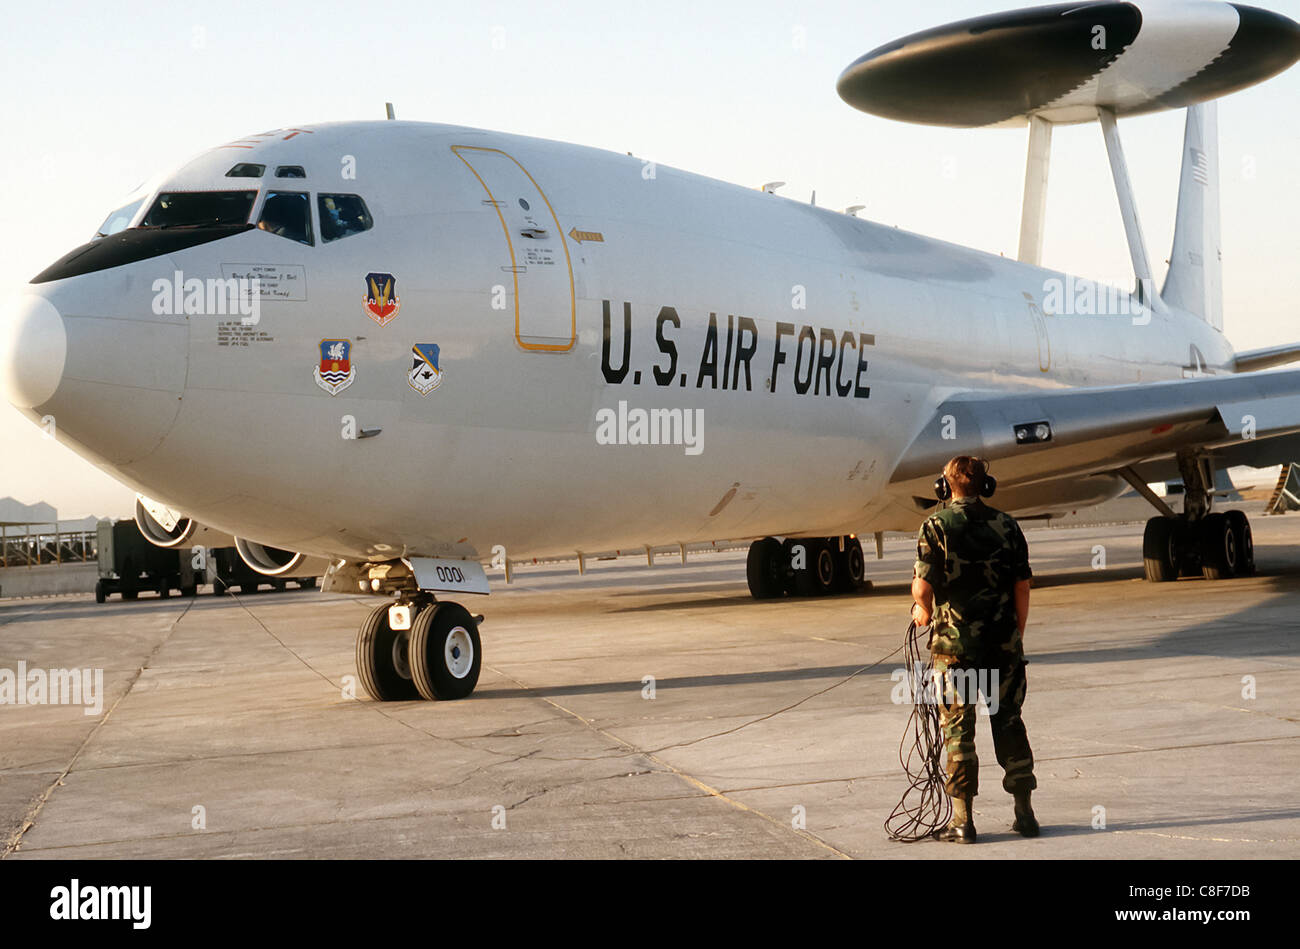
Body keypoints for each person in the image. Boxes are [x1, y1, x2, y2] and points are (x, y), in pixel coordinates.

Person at [911, 456, 1037, 843]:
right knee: (1009, 722)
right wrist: (1015, 632)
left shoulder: (936, 526)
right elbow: (1022, 586)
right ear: (986, 485)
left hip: (955, 650)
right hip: (1003, 647)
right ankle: (1025, 814)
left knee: (958, 732)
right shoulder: (1007, 525)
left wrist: (923, 610)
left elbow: (923, 587)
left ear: (944, 487)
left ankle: (963, 821)